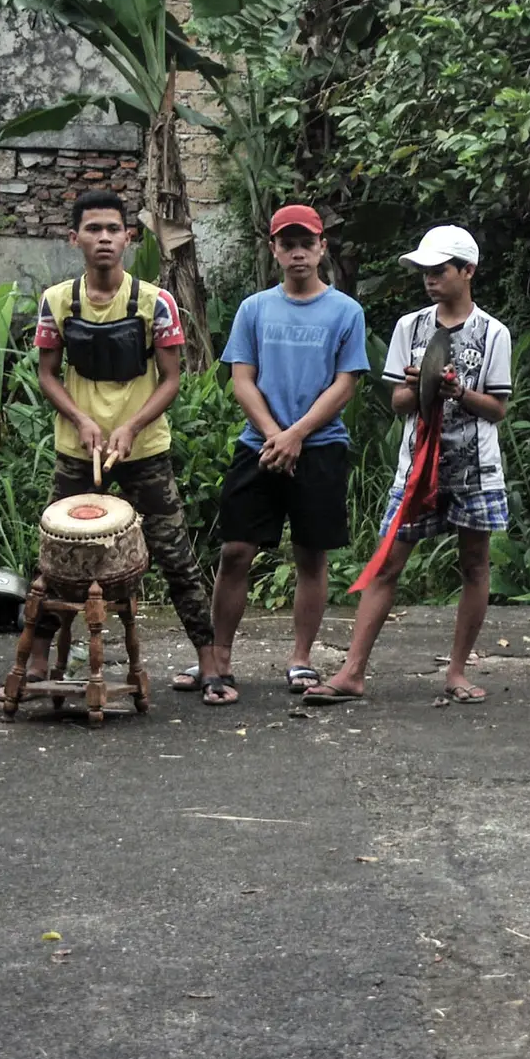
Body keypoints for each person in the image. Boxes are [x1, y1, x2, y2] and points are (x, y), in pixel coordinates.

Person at [303, 225, 512, 706]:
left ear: (467, 271)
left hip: (475, 469)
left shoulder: (493, 332)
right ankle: (352, 672)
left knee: (474, 566)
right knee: (387, 565)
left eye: (439, 271)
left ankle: (457, 672)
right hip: (417, 467)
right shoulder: (410, 327)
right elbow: (397, 401)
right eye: (424, 272)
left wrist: (460, 392)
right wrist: (422, 387)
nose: (429, 280)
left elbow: (498, 409)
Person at [32, 189, 224, 699]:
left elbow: (171, 379)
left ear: (129, 237)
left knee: (175, 554)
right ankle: (35, 657)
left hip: (144, 450)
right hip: (78, 450)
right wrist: (80, 419)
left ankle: (210, 663)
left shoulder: (155, 302)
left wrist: (132, 426)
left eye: (113, 229)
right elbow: (47, 374)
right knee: (57, 553)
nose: (104, 238)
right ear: (74, 238)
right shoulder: (56, 301)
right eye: (93, 229)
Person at [210, 204, 371, 702]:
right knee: (236, 551)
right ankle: (218, 659)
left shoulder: (346, 311)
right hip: (258, 445)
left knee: (310, 554)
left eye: (306, 243)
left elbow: (345, 384)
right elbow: (242, 379)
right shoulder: (254, 308)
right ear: (274, 250)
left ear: (322, 248)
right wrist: (275, 434)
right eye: (288, 244)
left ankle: (301, 658)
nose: (297, 252)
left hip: (320, 447)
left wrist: (297, 433)